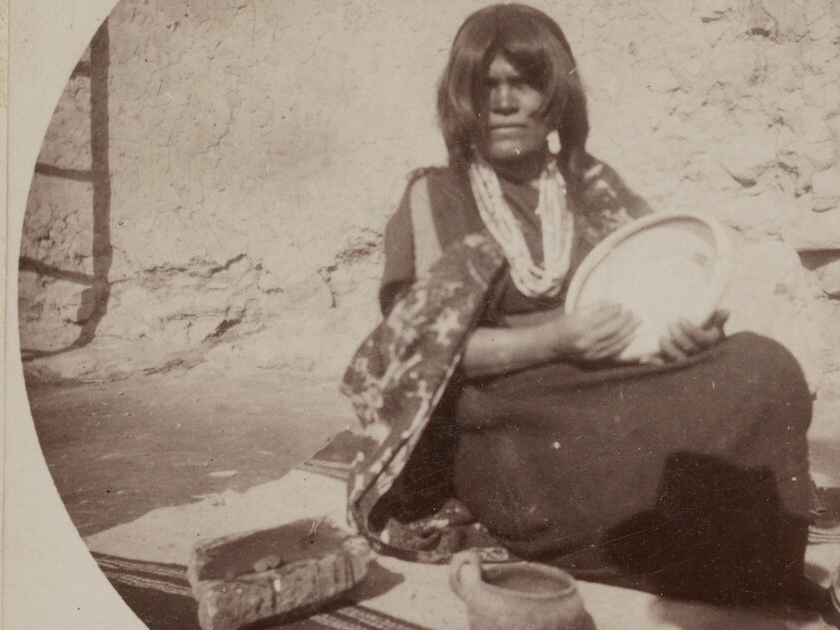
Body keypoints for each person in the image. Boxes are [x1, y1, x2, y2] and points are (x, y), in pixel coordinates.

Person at [337, 3, 815, 606]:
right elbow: (414, 362)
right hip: (512, 412)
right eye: (485, 88)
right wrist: (553, 340)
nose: (504, 103)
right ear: (462, 102)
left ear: (556, 96)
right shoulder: (437, 195)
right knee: (652, 473)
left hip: (611, 382)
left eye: (524, 83)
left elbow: (663, 292)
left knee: (763, 366)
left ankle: (701, 542)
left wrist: (687, 331)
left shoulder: (590, 182)